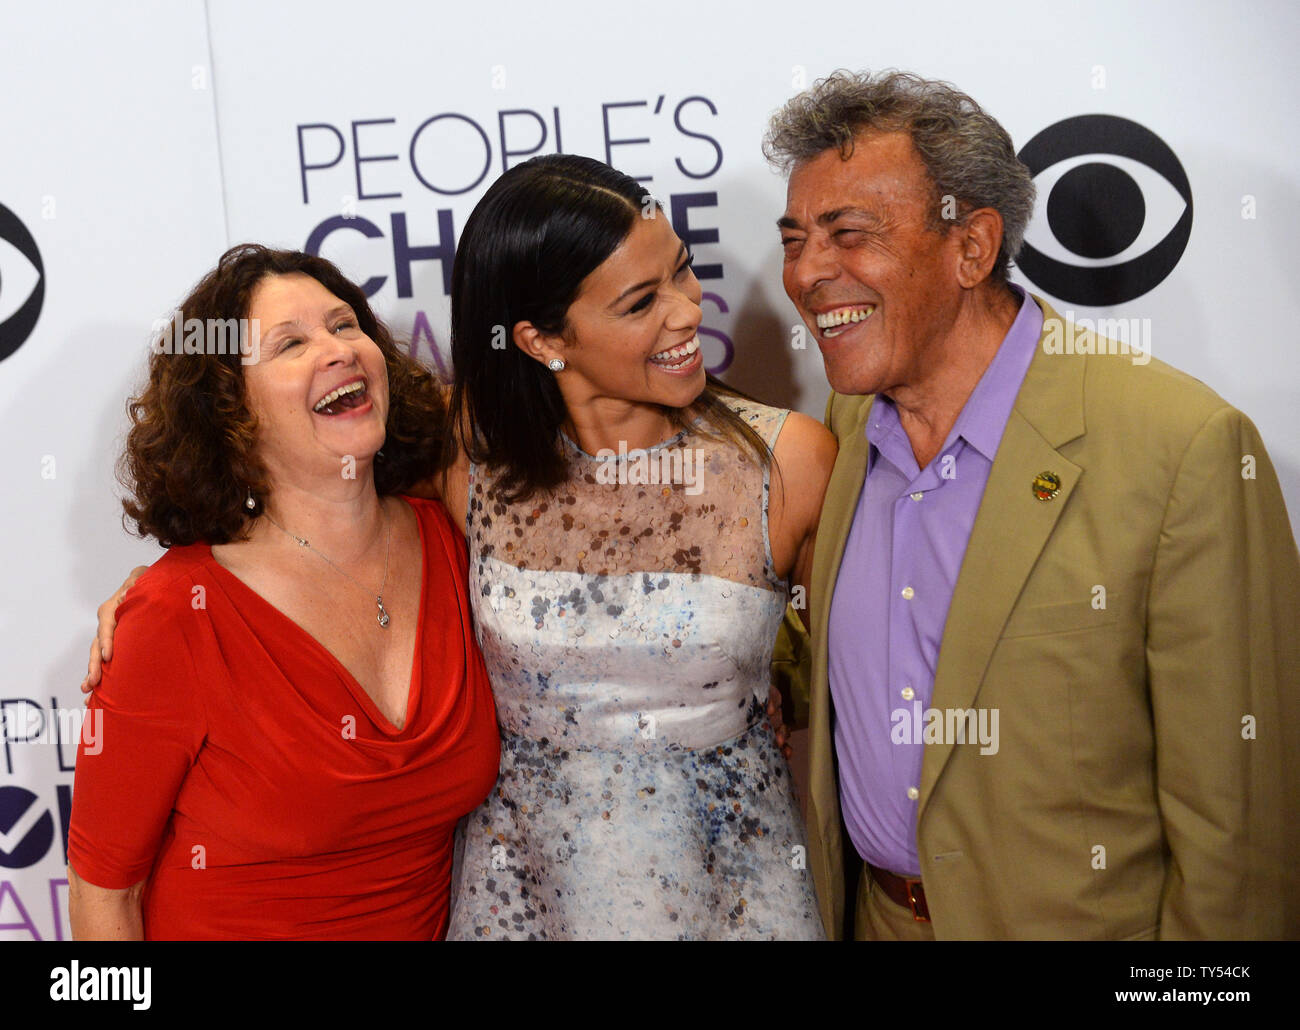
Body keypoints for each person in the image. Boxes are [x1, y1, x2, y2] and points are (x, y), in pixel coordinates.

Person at [84, 156, 838, 940]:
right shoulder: (466, 458)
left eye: (684, 273)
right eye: (642, 301)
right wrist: (160, 598)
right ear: (542, 339)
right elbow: (290, 498)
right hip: (523, 905)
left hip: (739, 894)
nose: (688, 312)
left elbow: (860, 666)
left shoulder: (785, 464)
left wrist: (760, 685)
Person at [765, 69, 1300, 939]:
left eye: (847, 234)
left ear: (971, 248)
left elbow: (1239, 829)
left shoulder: (1182, 447)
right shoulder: (847, 426)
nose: (808, 273)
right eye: (794, 239)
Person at [68, 245, 500, 939]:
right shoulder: (176, 614)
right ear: (231, 409)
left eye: (346, 325)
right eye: (291, 344)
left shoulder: (453, 535)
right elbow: (103, 899)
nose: (338, 350)